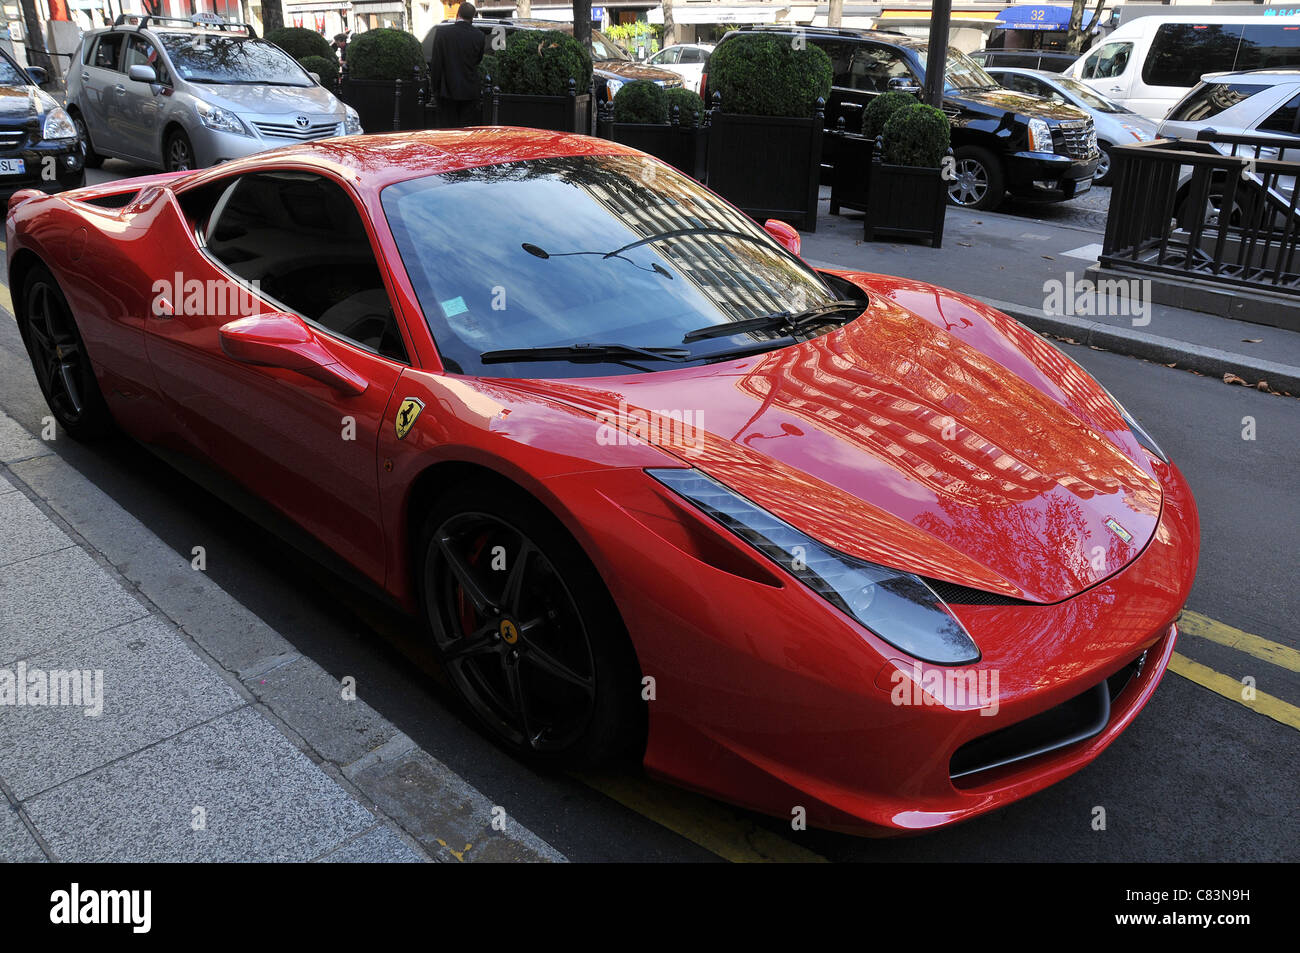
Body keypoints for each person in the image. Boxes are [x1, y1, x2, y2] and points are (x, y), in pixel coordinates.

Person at [428, 2, 485, 129]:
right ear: (472, 18)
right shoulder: (479, 36)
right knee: (466, 132)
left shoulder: (442, 33)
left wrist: (435, 89)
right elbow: (478, 60)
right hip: (469, 91)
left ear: (457, 14)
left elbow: (436, 64)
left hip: (447, 91)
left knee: (448, 132)